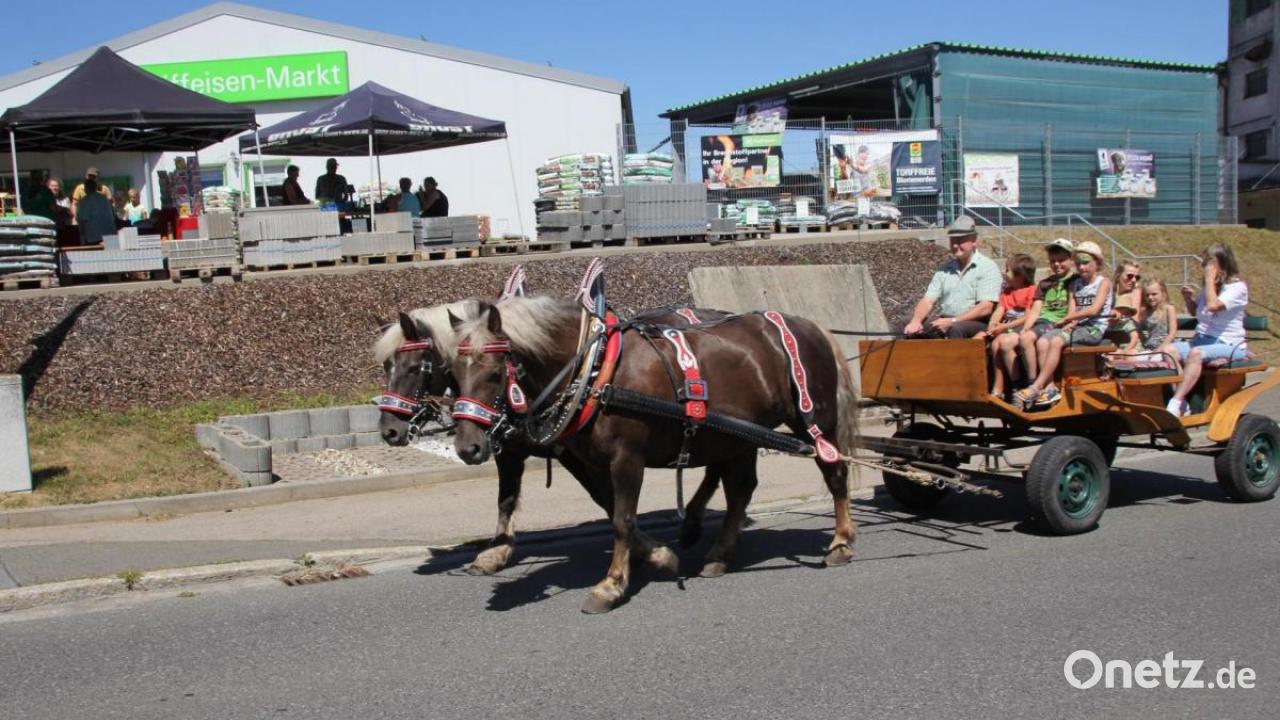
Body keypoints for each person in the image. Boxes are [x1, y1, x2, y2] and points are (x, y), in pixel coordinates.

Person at [1016, 241, 1112, 410]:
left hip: (1094, 329)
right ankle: (1050, 387)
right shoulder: (1075, 285)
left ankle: (1036, 386)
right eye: (1079, 263)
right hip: (1078, 327)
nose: (1082, 268)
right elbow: (1073, 310)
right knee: (1043, 341)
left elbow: (1094, 309)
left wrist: (1067, 319)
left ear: (1097, 263)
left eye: (1086, 263)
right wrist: (1070, 322)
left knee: (1057, 341)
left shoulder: (1103, 283)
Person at [1165, 245, 1249, 417]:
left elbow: (1213, 306)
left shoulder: (1237, 287)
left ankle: (1176, 401)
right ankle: (1183, 401)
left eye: (1209, 263)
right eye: (1205, 264)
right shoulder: (1208, 288)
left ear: (1222, 264)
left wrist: (1209, 280)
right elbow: (1197, 312)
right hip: (1203, 339)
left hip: (1228, 343)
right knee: (1168, 351)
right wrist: (1188, 299)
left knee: (1196, 353)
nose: (1205, 268)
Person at [902, 215, 1001, 339]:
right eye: (953, 241)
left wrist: (954, 321)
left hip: (976, 323)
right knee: (906, 324)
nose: (955, 245)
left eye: (960, 241)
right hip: (947, 319)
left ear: (974, 241)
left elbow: (985, 308)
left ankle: (956, 358)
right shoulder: (945, 269)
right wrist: (916, 321)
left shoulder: (987, 267)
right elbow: (928, 300)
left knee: (955, 328)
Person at [1017, 238, 1076, 395]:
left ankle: (1044, 384)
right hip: (1041, 322)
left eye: (1062, 260)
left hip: (1056, 323)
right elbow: (1036, 308)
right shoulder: (1044, 283)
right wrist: (1026, 327)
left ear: (1071, 260)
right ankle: (1034, 380)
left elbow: (1073, 305)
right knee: (1023, 337)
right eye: (1053, 261)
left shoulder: (1074, 281)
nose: (1057, 264)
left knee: (1028, 340)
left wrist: (1069, 320)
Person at [976, 253, 1037, 400]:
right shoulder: (1007, 291)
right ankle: (993, 384)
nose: (1004, 272)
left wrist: (1004, 327)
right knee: (984, 340)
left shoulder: (1031, 291)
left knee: (999, 343)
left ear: (1020, 275)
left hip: (1019, 327)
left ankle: (1010, 385)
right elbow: (999, 310)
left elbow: (1027, 317)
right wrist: (992, 325)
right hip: (1005, 328)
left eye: (1008, 270)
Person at [1132, 277, 1179, 366]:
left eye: (1154, 294)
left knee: (1152, 362)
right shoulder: (1146, 311)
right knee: (1132, 359)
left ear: (1163, 293)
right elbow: (1140, 329)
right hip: (1149, 348)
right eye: (1147, 295)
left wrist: (1160, 349)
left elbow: (1172, 333)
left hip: (1165, 348)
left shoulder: (1169, 309)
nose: (1150, 297)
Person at [1110, 261, 1142, 351]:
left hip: (1130, 346)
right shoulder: (1108, 295)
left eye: (1137, 277)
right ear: (1118, 276)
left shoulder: (1135, 294)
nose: (1134, 280)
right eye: (1130, 276)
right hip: (1114, 343)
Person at [75, 178, 117, 246]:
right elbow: (113, 215)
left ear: (86, 188)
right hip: (110, 236)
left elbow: (82, 220)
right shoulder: (104, 198)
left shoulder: (85, 201)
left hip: (94, 238)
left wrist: (82, 236)